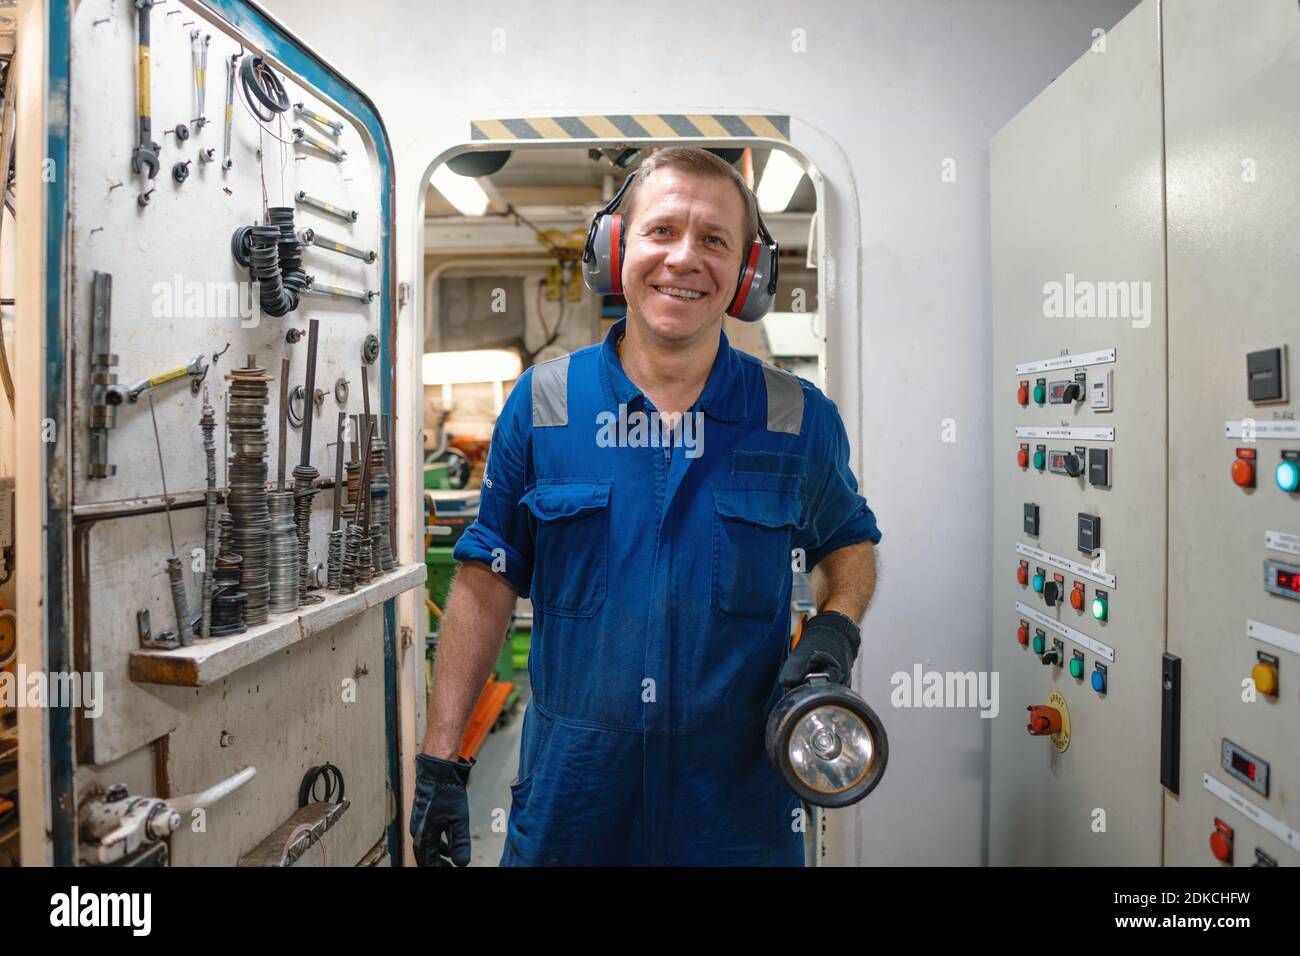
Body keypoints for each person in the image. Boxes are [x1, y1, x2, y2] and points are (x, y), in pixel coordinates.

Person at [409, 147, 881, 866]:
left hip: (738, 811)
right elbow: (485, 580)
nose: (685, 260)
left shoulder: (793, 416)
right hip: (573, 802)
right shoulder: (545, 405)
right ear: (615, 248)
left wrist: (836, 626)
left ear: (749, 273)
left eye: (715, 240)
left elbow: (848, 541)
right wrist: (442, 762)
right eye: (662, 231)